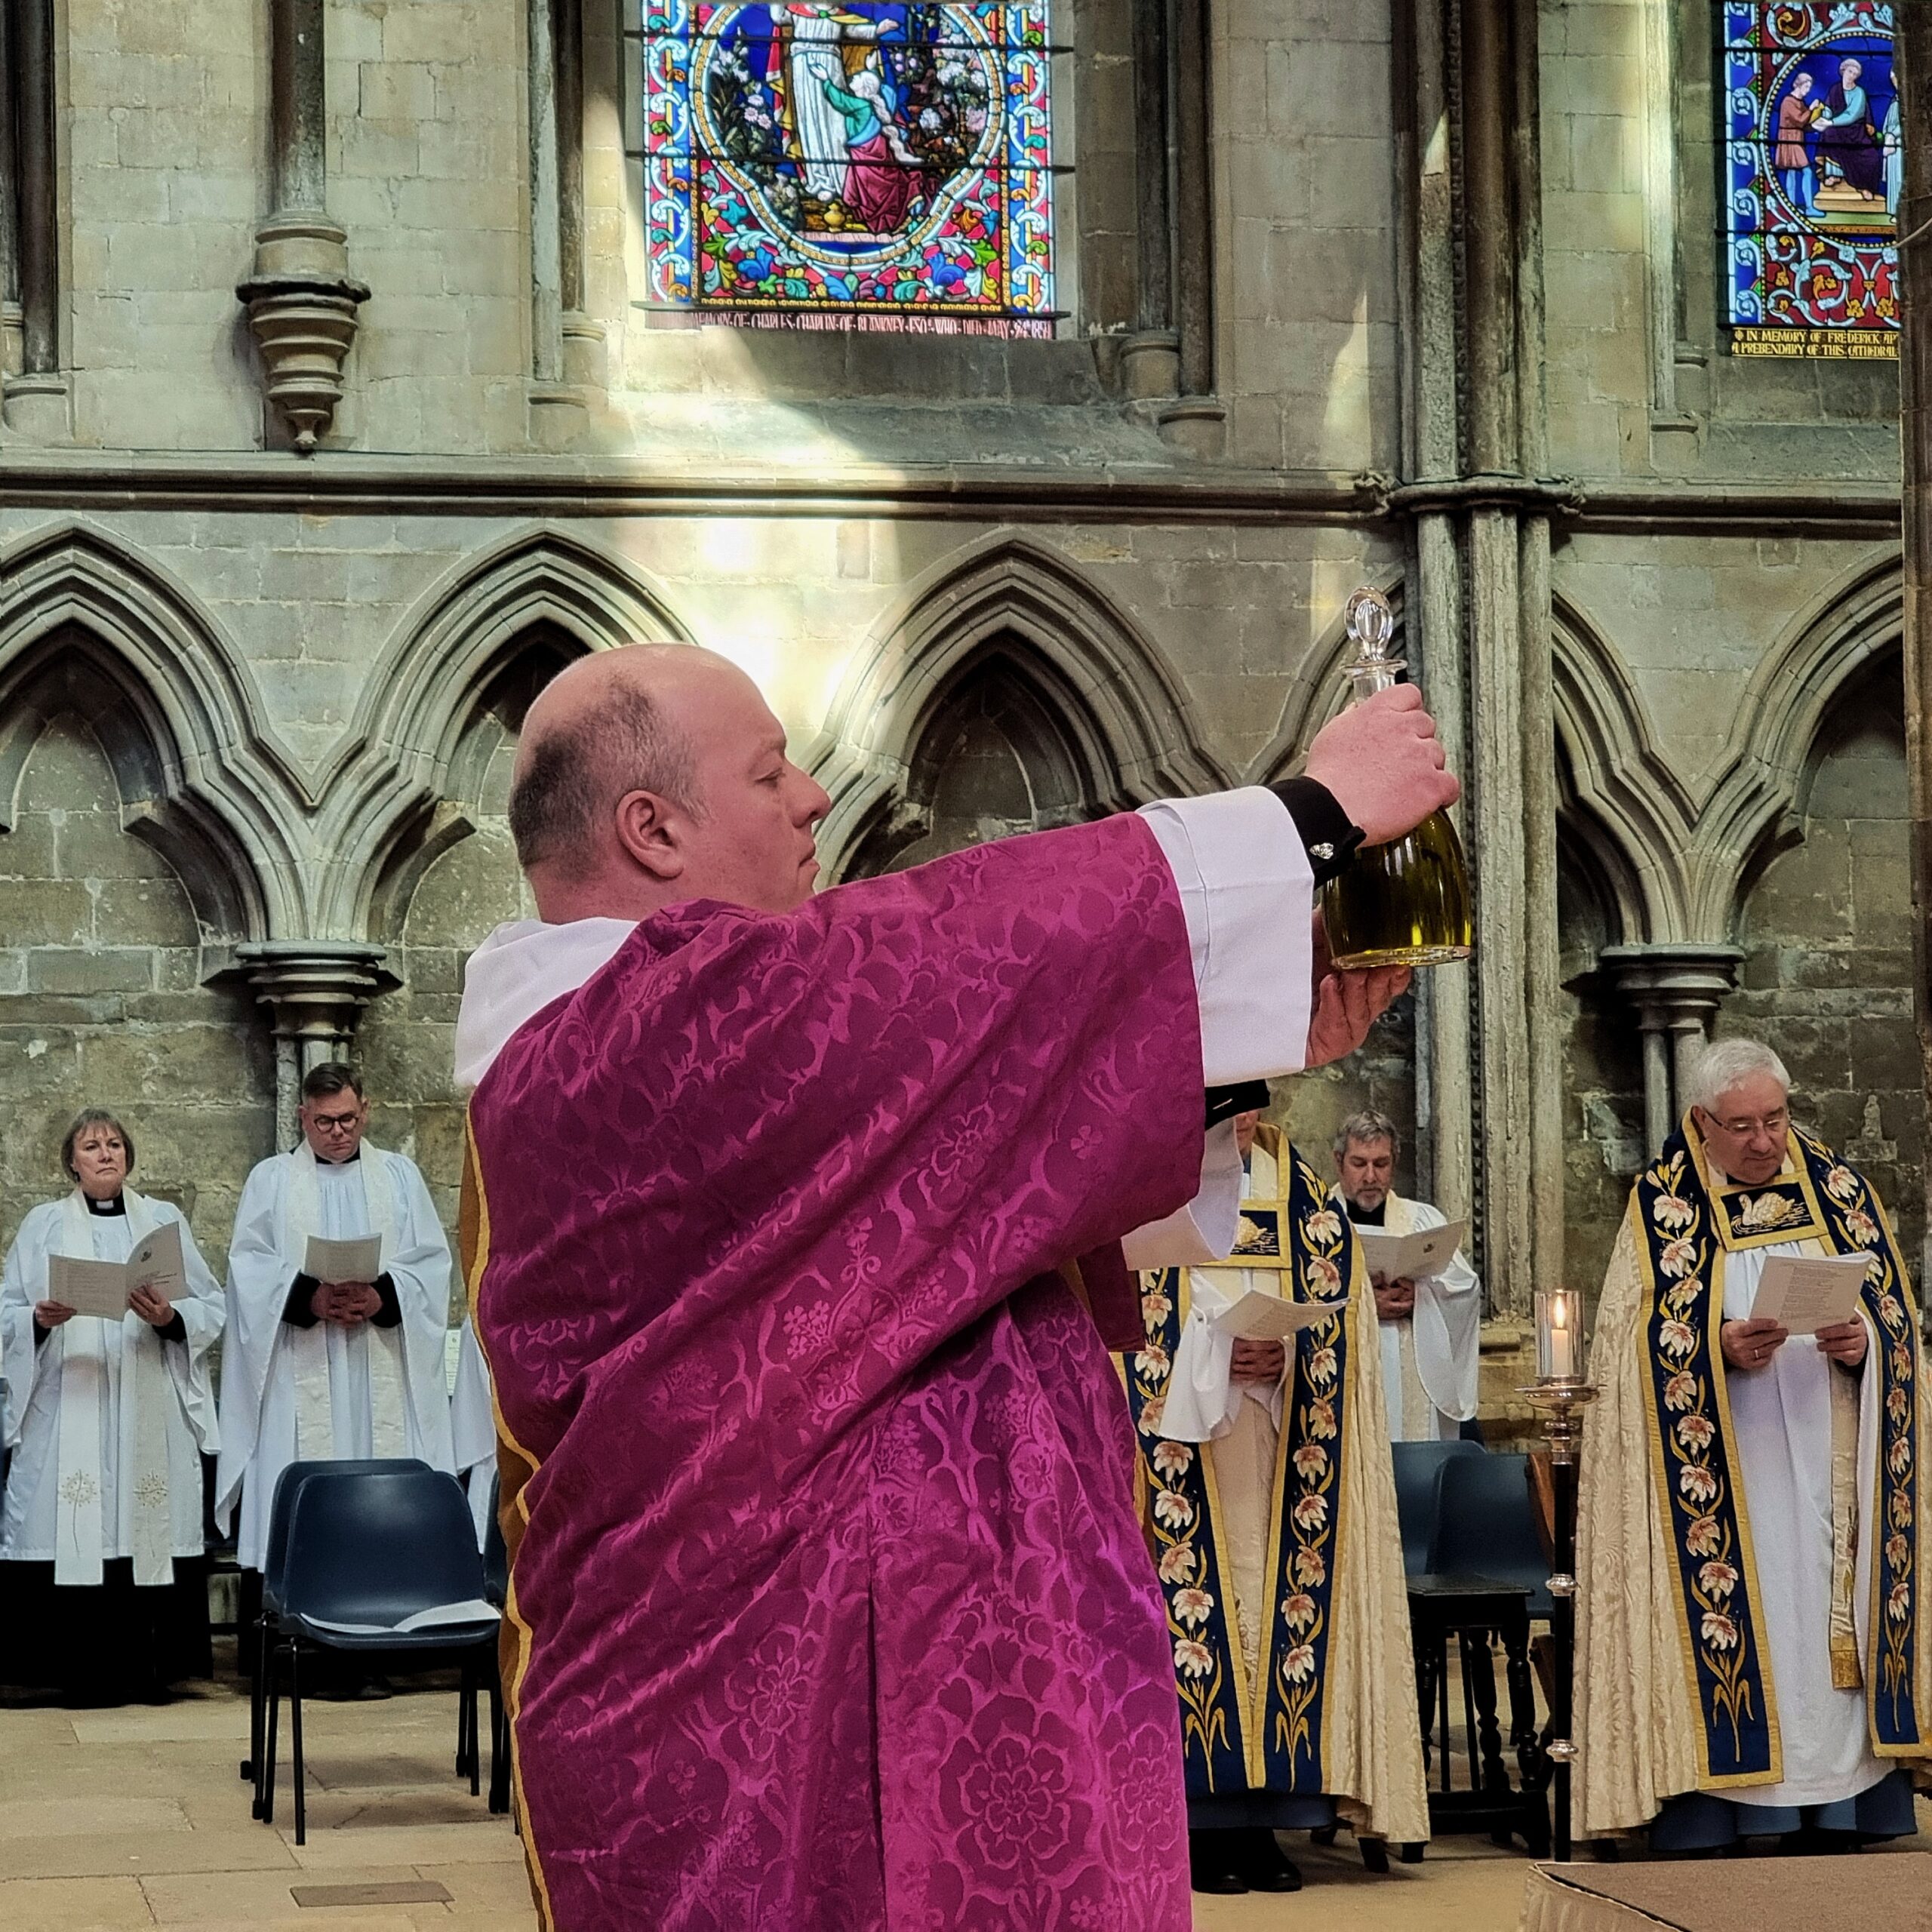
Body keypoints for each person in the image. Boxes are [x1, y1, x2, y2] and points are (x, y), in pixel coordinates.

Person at [453, 641, 1456, 1931]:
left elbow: (947, 1193)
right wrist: (1308, 814)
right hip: (760, 1742)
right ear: (652, 830)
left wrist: (1232, 1062)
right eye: (770, 773)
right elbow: (956, 952)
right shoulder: (624, 1038)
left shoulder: (709, 1044)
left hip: (927, 1710)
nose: (816, 797)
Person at [1576, 1038, 1932, 1851]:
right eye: (1741, 1126)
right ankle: (1720, 1815)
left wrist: (1867, 1346)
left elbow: (1899, 1326)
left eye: (1775, 1118)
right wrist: (1714, 1348)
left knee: (1825, 1625)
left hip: (1832, 1462)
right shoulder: (1663, 1207)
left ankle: (1839, 1811)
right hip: (1727, 1476)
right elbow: (1624, 1350)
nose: (1765, 1140)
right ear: (1701, 1122)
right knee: (1746, 1620)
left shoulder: (1840, 1192)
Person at [1126, 1107, 1426, 1895]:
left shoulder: (1307, 1206)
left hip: (1284, 1449)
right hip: (1181, 1455)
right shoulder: (1151, 1192)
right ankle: (1199, 1824)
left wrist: (1288, 1354)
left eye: (1256, 1102)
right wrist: (1212, 1355)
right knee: (1199, 1625)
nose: (1246, 1119)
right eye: (1231, 1101)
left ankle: (1267, 1823)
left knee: (1278, 1625)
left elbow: (1343, 1329)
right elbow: (1120, 1329)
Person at [214, 1065, 456, 1622]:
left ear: (365, 1111)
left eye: (347, 1118)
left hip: (380, 1360)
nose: (338, 1131)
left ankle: (388, 1622)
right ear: (303, 1118)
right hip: (300, 1367)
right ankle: (298, 1624)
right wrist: (309, 1298)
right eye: (324, 1122)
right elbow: (248, 1270)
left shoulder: (400, 1177)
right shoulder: (271, 1180)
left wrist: (383, 1296)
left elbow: (431, 1264)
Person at [0, 1109, 223, 1702]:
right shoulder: (44, 1225)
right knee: (73, 1523)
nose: (106, 1153)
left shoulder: (162, 1222)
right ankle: (66, 1674)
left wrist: (170, 1317)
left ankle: (150, 1672)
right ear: (71, 1162)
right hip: (70, 1395)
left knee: (141, 1518)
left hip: (145, 1393)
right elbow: (7, 1312)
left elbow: (211, 1305)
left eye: (115, 1144)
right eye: (92, 1145)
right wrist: (37, 1319)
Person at [1332, 1109, 1480, 1441]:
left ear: (1394, 1163)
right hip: (1345, 1377)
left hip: (1411, 1370)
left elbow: (1466, 1290)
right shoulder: (1317, 1224)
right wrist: (1363, 1303)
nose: (1371, 1176)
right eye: (1359, 1163)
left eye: (1381, 1164)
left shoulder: (1422, 1220)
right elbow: (1298, 1300)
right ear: (1339, 1162)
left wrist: (1422, 1296)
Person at [1814, 57, 1884, 205]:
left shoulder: (1859, 93)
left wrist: (1830, 122)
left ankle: (1865, 187)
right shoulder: (1835, 89)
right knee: (1828, 135)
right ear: (1843, 70)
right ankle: (1834, 175)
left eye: (1855, 74)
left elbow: (1852, 114)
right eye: (1850, 72)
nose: (1852, 76)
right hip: (1837, 131)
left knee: (1872, 157)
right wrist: (1823, 116)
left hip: (1856, 132)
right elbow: (1829, 108)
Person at [1774, 70, 1820, 217]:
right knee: (1806, 171)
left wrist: (1817, 127)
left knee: (1792, 172)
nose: (1808, 90)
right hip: (1789, 139)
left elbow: (1804, 123)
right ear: (1798, 85)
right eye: (1806, 87)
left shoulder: (1799, 102)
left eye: (1809, 87)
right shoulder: (1788, 101)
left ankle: (1792, 207)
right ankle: (1808, 207)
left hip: (1796, 138)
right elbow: (1800, 120)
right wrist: (1811, 109)